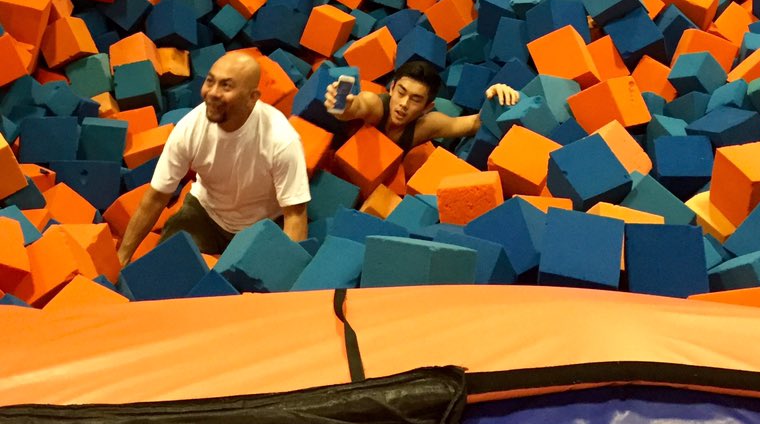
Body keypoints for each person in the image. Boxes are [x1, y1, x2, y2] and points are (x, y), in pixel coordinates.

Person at [117, 50, 310, 267]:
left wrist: (287, 274)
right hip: (206, 213)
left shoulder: (281, 139)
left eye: (226, 86)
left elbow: (295, 214)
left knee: (258, 282)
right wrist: (122, 257)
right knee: (166, 268)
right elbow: (156, 197)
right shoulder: (190, 128)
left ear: (252, 98)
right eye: (210, 81)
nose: (212, 93)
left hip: (262, 225)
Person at [324, 59, 520, 152]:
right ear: (392, 88)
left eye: (416, 99)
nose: (404, 104)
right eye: (401, 92)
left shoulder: (426, 126)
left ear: (427, 107)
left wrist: (498, 97)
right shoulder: (376, 105)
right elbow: (357, 106)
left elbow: (475, 124)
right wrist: (341, 105)